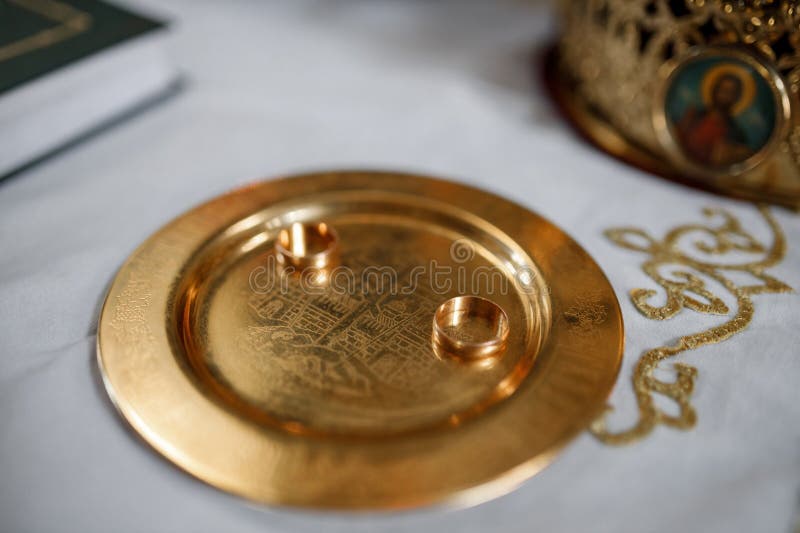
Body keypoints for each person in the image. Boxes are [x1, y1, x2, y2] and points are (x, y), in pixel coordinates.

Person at [676, 72, 753, 166]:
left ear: (736, 97)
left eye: (730, 92)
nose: (724, 95)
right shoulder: (694, 115)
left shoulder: (735, 132)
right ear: (714, 90)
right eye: (722, 89)